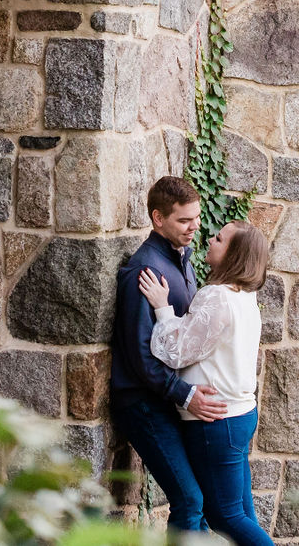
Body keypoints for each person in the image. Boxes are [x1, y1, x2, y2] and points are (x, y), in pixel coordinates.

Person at [137, 220, 273, 546]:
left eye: (220, 238)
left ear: (234, 255)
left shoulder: (217, 296)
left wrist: (161, 307)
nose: (210, 239)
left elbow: (177, 352)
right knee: (241, 512)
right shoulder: (244, 297)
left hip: (216, 422)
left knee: (225, 517)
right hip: (239, 416)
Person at [109, 176, 228, 532]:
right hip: (143, 404)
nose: (195, 227)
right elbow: (139, 357)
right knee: (189, 499)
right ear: (158, 218)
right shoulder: (144, 272)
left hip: (168, 401)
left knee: (202, 497)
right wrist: (187, 395)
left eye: (196, 218)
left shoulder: (182, 260)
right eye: (184, 220)